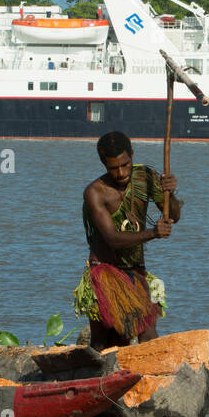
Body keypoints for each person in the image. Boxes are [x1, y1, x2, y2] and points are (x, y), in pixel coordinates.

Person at [74, 131, 182, 350]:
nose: (121, 173)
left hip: (134, 271)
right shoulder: (95, 192)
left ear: (132, 155)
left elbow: (174, 216)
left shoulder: (145, 177)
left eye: (125, 164)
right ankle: (98, 381)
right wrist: (153, 233)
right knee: (105, 340)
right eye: (113, 168)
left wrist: (170, 192)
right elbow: (113, 239)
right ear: (104, 163)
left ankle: (147, 378)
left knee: (148, 334)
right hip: (104, 271)